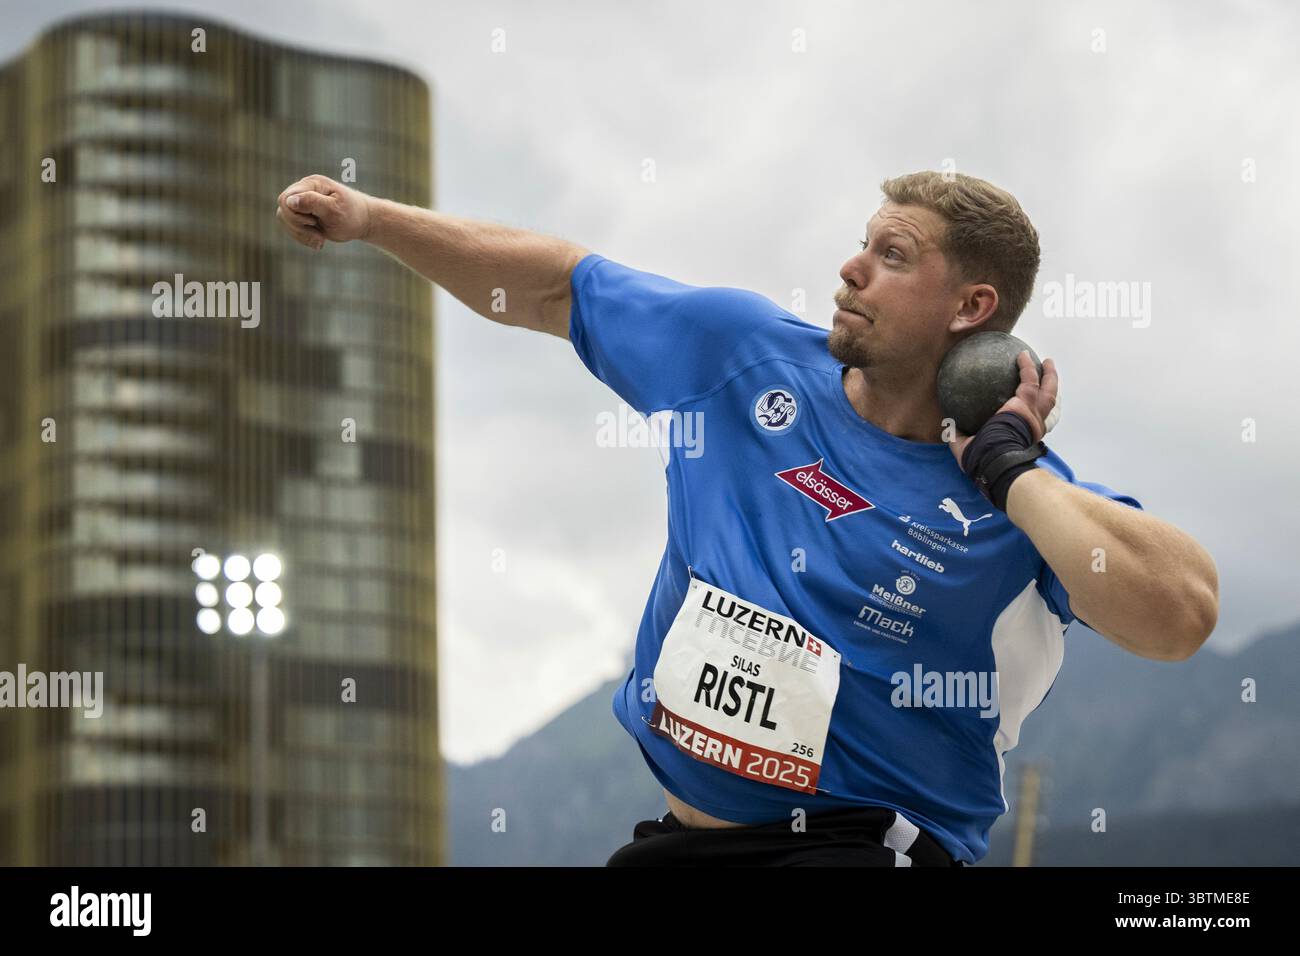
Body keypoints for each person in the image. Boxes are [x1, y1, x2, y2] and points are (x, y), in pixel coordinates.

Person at [276, 170, 1219, 867]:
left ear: (973, 307)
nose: (850, 268)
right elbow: (560, 284)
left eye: (892, 256)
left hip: (864, 851)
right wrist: (371, 219)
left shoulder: (1019, 495)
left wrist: (1011, 474)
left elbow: (1181, 613)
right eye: (862, 242)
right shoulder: (739, 353)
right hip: (678, 844)